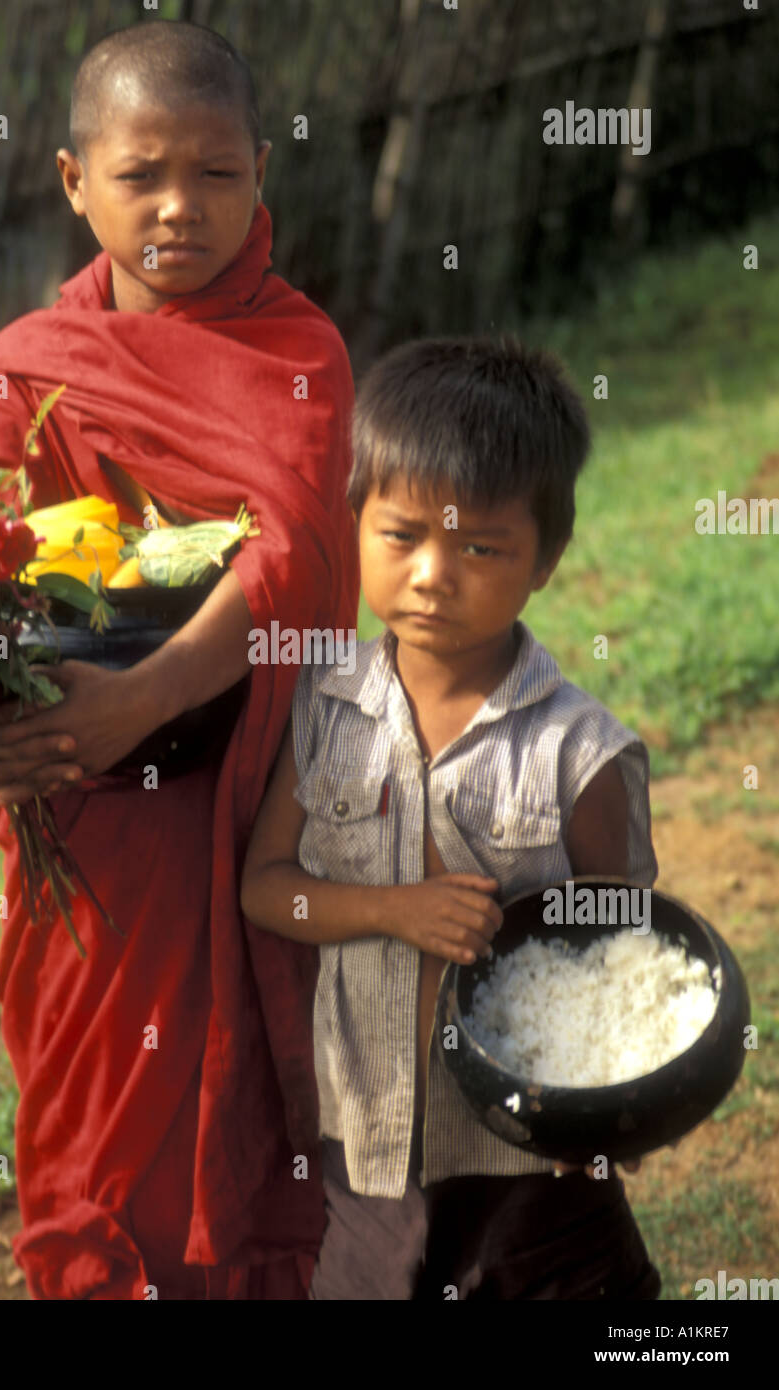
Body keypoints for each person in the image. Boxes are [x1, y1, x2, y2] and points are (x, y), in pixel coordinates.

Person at [0, 19, 358, 1300]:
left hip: (233, 797)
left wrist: (136, 697)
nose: (179, 209)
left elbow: (291, 566)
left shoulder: (297, 353)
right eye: (142, 176)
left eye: (215, 175)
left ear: (260, 180)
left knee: (235, 1109)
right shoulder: (31, 369)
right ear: (76, 182)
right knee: (89, 1123)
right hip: (80, 811)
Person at [240, 336, 663, 1300]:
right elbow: (267, 891)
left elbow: (629, 960)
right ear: (355, 524)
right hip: (367, 1163)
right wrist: (392, 910)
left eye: (479, 547)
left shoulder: (582, 755)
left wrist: (599, 1111)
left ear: (546, 558)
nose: (433, 573)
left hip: (534, 1180)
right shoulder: (319, 709)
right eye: (402, 536)